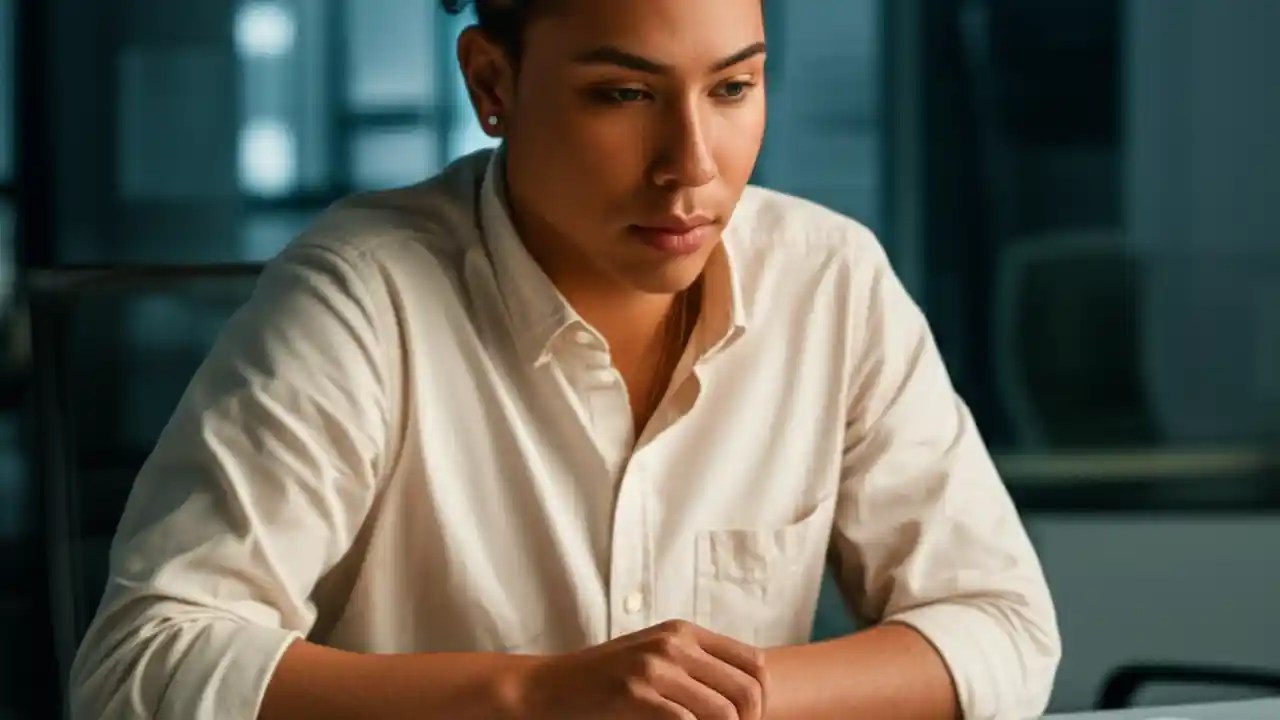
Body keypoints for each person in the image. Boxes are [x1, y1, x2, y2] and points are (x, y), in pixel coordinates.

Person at [70, 0, 1060, 717]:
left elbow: (1003, 631)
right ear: (491, 84)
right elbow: (140, 668)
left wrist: (714, 698)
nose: (692, 163)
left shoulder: (827, 278)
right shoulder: (363, 296)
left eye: (732, 88)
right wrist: (534, 695)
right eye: (623, 93)